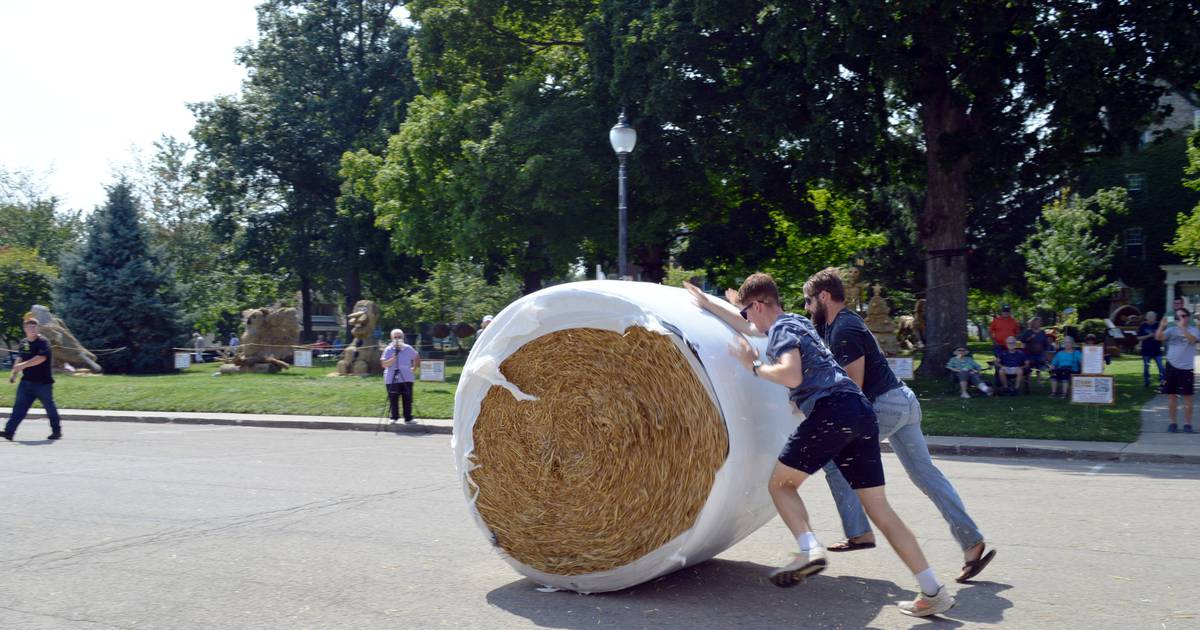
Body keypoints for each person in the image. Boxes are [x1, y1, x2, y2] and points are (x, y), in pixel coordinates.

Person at [686, 274, 955, 617]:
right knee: (880, 509)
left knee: (780, 485)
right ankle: (933, 590)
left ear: (759, 305)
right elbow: (752, 328)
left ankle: (809, 549)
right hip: (860, 411)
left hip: (832, 410)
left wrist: (753, 366)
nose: (746, 320)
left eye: (746, 311)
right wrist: (710, 304)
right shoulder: (796, 322)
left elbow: (791, 374)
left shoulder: (781, 330)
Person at [804, 268, 993, 584]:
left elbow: (854, 386)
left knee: (834, 459)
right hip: (904, 401)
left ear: (824, 296)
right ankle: (972, 542)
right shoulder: (841, 323)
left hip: (885, 404)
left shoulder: (844, 329)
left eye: (808, 301)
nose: (807, 308)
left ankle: (859, 532)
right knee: (926, 475)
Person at [2, 317, 63, 441]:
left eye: (34, 327)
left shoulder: (43, 342)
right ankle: (9, 432)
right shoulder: (24, 342)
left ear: (38, 328)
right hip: (26, 382)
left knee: (49, 408)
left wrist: (22, 366)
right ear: (25, 329)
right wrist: (14, 373)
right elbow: (20, 357)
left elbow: (41, 358)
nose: (32, 329)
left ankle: (56, 431)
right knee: (18, 408)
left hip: (43, 383)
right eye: (29, 327)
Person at [1156, 308, 1199, 433]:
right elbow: (1158, 337)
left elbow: (1192, 340)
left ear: (1188, 317)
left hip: (1186, 368)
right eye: (1178, 317)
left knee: (1187, 396)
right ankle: (1173, 423)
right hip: (1171, 366)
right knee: (1171, 395)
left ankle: (1187, 424)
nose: (1181, 319)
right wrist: (1161, 326)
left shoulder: (1194, 330)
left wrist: (1182, 328)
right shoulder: (1171, 330)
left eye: (1183, 316)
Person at [380, 328, 419, 424]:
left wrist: (414, 368)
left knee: (407, 398)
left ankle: (408, 418)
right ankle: (394, 417)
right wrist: (393, 359)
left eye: (399, 337)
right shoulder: (388, 349)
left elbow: (416, 356)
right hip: (391, 378)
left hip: (407, 377)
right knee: (393, 398)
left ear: (403, 338)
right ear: (391, 338)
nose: (397, 339)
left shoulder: (408, 348)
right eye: (395, 337)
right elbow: (384, 364)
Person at [1137, 311, 1164, 388]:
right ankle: (1146, 382)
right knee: (1146, 367)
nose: (1151, 318)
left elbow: (1163, 336)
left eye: (1152, 316)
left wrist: (1158, 336)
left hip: (1157, 350)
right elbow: (1138, 337)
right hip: (1146, 350)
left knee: (1161, 367)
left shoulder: (1159, 325)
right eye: (1149, 316)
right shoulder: (1143, 325)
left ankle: (1162, 381)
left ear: (1155, 317)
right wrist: (1149, 335)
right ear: (1146, 317)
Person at [1018, 317, 1049, 383]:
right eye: (1036, 322)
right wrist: (1030, 338)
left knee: (1039, 366)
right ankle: (1028, 380)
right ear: (1033, 323)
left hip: (1040, 352)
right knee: (1029, 366)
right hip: (1030, 353)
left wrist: (1045, 351)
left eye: (1039, 322)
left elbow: (1046, 343)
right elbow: (1022, 340)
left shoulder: (1042, 332)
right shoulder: (1028, 331)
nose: (1038, 324)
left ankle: (1039, 380)